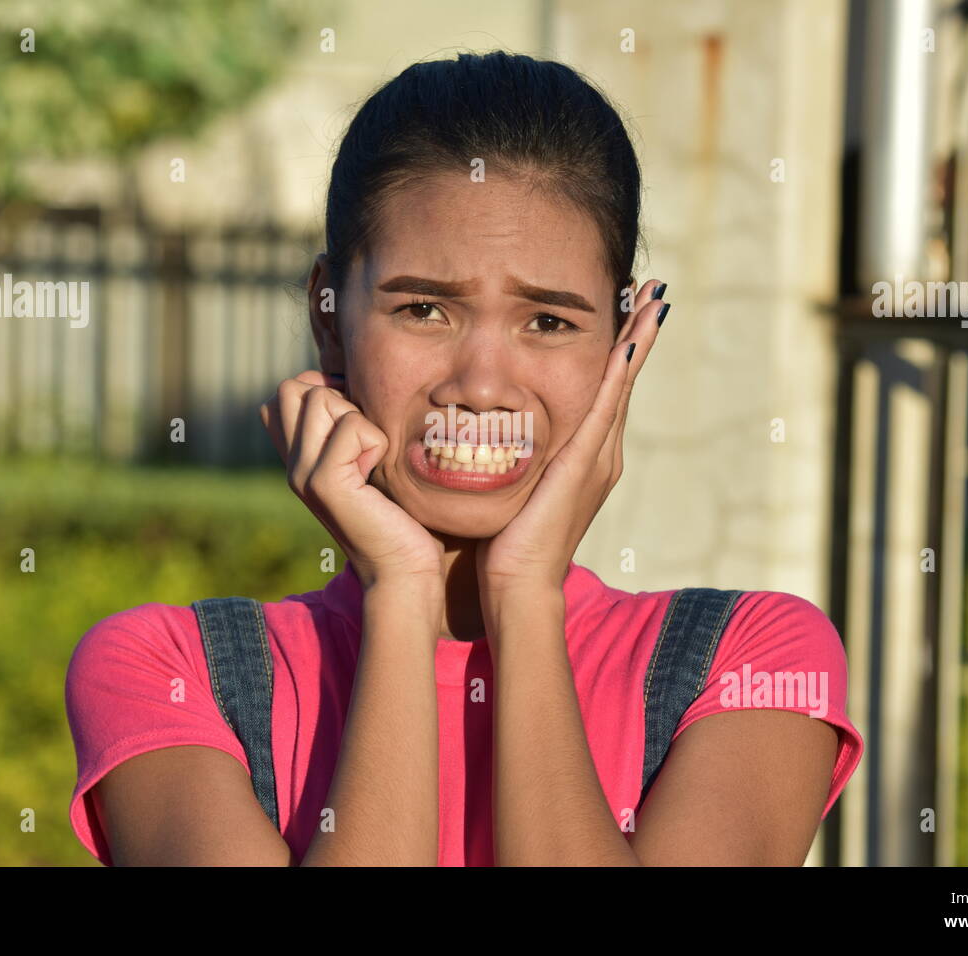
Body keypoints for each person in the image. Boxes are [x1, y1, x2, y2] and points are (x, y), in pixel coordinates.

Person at [64, 49, 863, 866]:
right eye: (424, 309)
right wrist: (401, 596)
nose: (480, 386)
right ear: (330, 316)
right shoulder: (169, 671)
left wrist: (524, 597)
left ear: (626, 341)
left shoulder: (754, 659)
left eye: (548, 321)